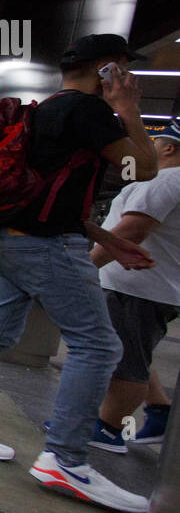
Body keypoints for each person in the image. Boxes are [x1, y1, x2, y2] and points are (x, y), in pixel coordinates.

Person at [0, 33, 159, 513]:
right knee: (99, 343)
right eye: (123, 70)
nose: (128, 78)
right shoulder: (90, 112)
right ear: (107, 70)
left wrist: (109, 240)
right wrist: (127, 107)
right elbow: (143, 168)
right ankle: (66, 460)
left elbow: (46, 197)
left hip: (6, 239)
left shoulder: (41, 113)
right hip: (46, 247)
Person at [88, 119, 180, 452]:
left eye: (157, 143)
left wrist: (86, 268)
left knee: (126, 364)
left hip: (134, 286)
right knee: (133, 351)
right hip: (154, 286)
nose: (151, 147)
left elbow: (130, 232)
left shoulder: (166, 181)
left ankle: (108, 429)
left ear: (169, 148)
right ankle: (158, 410)